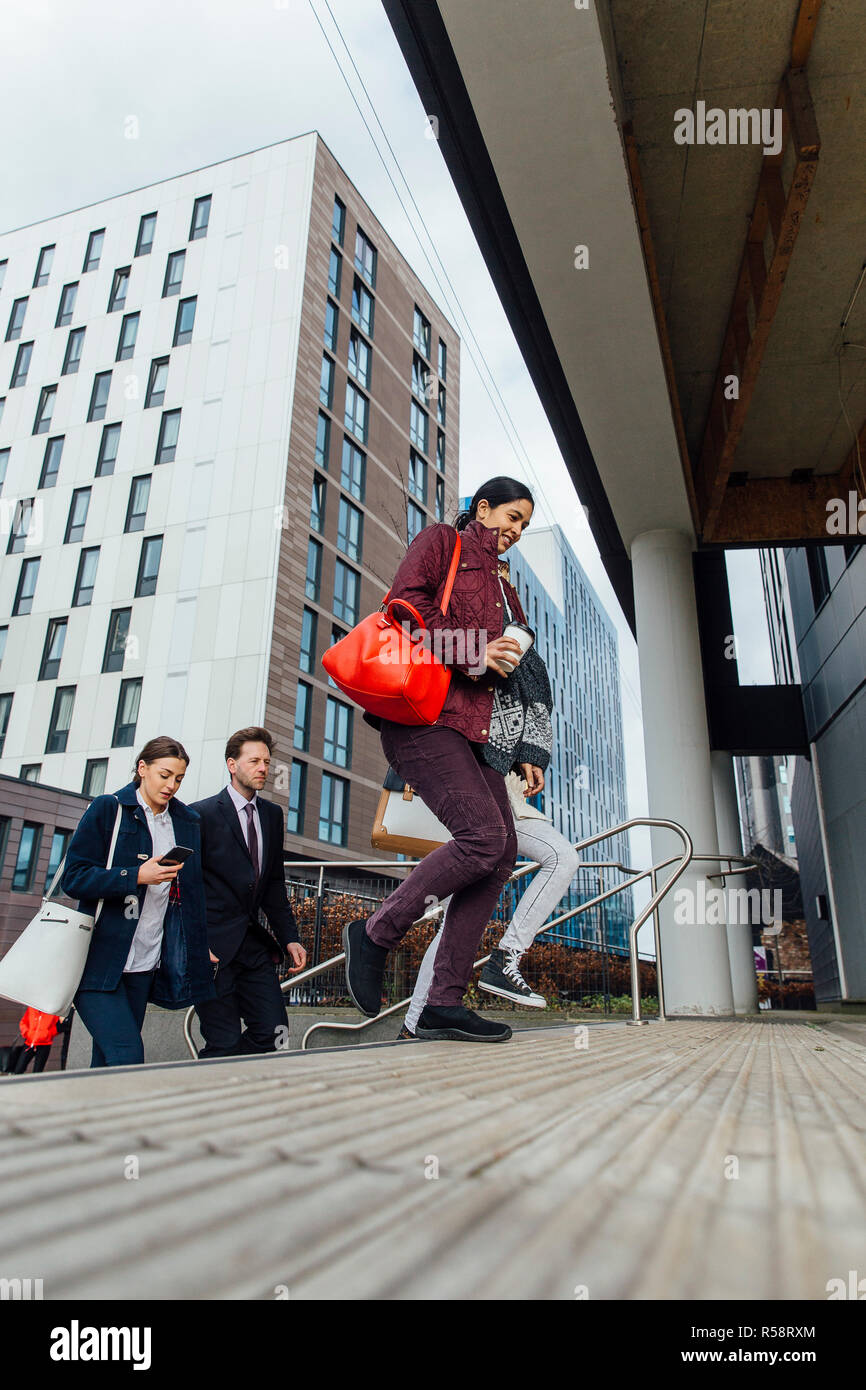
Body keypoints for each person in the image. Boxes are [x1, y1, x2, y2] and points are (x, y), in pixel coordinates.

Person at [343, 476, 544, 1043]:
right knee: (482, 838)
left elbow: (522, 665)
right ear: (483, 509)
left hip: (475, 730)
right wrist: (474, 649)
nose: (516, 531)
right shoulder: (442, 541)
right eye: (511, 517)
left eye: (525, 525)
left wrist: (529, 748)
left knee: (499, 852)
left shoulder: (506, 583)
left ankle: (442, 1002)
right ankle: (376, 932)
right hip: (422, 720)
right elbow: (406, 606)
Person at [62, 736, 215, 1068]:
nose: (171, 785)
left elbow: (192, 895)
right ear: (142, 769)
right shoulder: (109, 809)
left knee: (107, 1064)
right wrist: (135, 876)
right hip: (98, 962)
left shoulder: (186, 822)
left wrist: (200, 945)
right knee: (127, 1056)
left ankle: (92, 1120)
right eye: (164, 774)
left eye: (179, 778)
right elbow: (73, 878)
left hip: (145, 964)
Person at [400, 774, 582, 1037]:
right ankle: (414, 1023)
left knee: (563, 857)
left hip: (506, 804)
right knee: (452, 925)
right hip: (472, 798)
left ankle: (504, 958)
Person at [192, 727, 307, 1057]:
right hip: (212, 952)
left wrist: (290, 938)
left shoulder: (272, 815)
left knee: (274, 1032)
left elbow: (273, 884)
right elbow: (185, 888)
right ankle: (217, 1093)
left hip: (253, 948)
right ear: (232, 764)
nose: (263, 769)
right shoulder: (201, 815)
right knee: (223, 1041)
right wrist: (199, 944)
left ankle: (225, 1077)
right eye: (254, 761)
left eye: (267, 762)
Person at [3, 1007, 60, 1075]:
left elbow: (58, 1026)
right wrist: (27, 1033)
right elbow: (23, 1022)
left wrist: (47, 1034)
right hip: (29, 1043)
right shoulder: (31, 1009)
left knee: (37, 1071)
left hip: (44, 1044)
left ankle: (34, 1085)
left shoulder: (52, 1011)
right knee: (19, 1069)